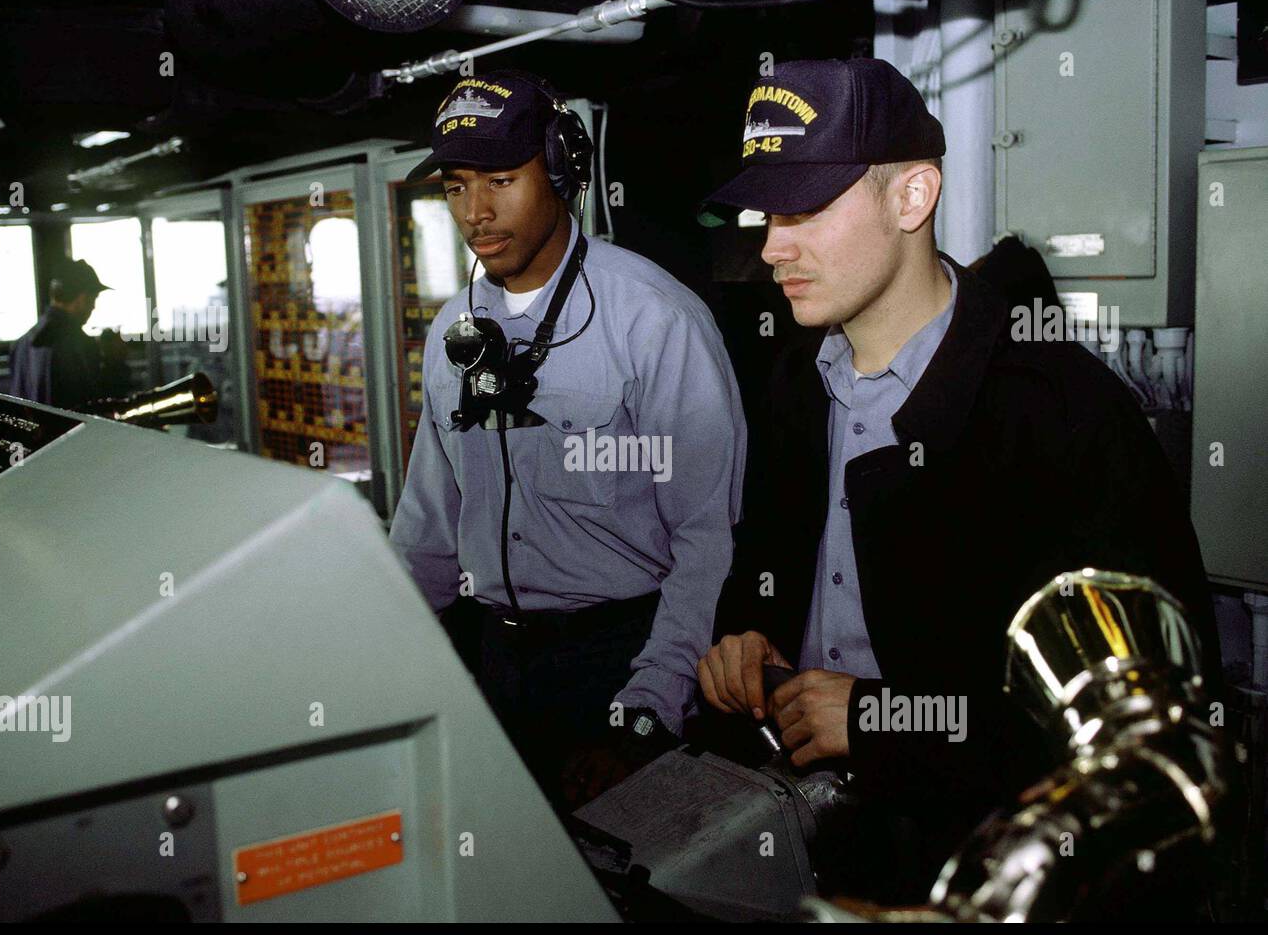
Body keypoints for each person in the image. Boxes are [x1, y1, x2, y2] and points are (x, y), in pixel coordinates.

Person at [697, 58, 1220, 893]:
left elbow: (1145, 742)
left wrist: (881, 724)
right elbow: (766, 554)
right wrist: (748, 635)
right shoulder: (798, 381)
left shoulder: (1062, 413)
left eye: (805, 207)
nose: (770, 245)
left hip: (983, 869)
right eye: (767, 211)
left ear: (912, 197)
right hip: (817, 845)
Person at [389, 69, 746, 810]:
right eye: (456, 186)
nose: (475, 213)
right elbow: (426, 528)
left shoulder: (655, 318)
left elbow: (707, 541)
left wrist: (646, 711)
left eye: (500, 180)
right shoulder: (452, 331)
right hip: (493, 657)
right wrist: (381, 665)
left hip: (621, 657)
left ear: (560, 172)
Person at [9, 257, 113, 411]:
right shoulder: (80, 344)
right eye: (93, 299)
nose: (93, 307)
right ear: (82, 298)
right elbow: (89, 408)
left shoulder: (21, 343)